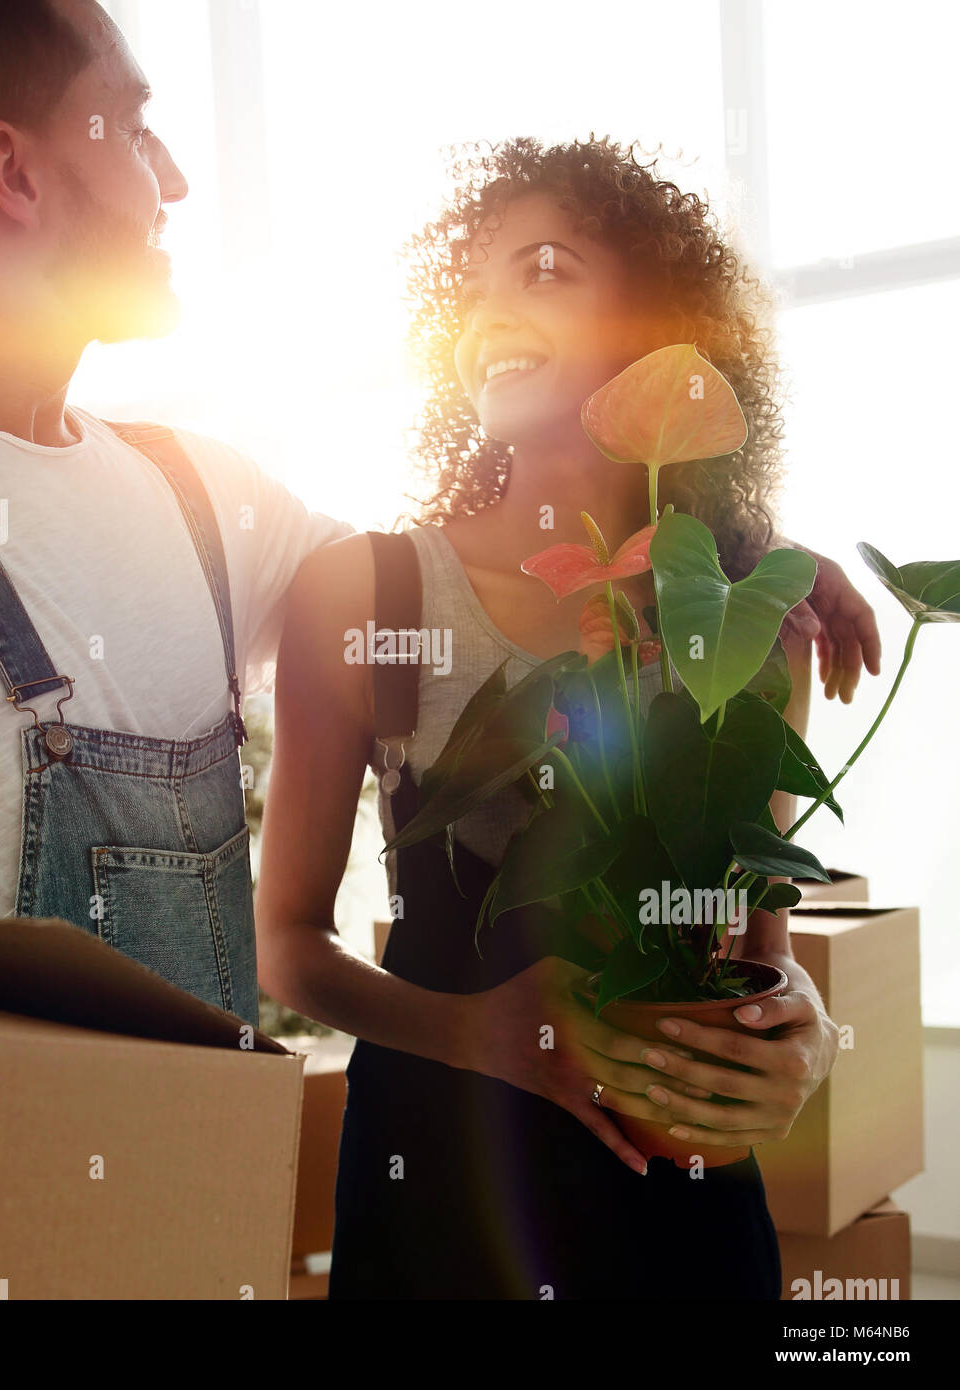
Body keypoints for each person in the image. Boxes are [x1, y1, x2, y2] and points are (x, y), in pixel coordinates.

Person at [255, 137, 882, 1298]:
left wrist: (803, 1034)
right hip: (437, 1183)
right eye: (476, 286)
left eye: (544, 269)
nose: (494, 309)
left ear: (655, 321)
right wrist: (484, 1033)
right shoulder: (369, 593)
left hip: (674, 1197)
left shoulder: (747, 618)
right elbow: (288, 947)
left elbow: (755, 947)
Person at [0, 0, 349, 1024]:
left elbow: (473, 634)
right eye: (136, 125)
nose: (174, 181)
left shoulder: (213, 501)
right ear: (14, 172)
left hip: (210, 1185)